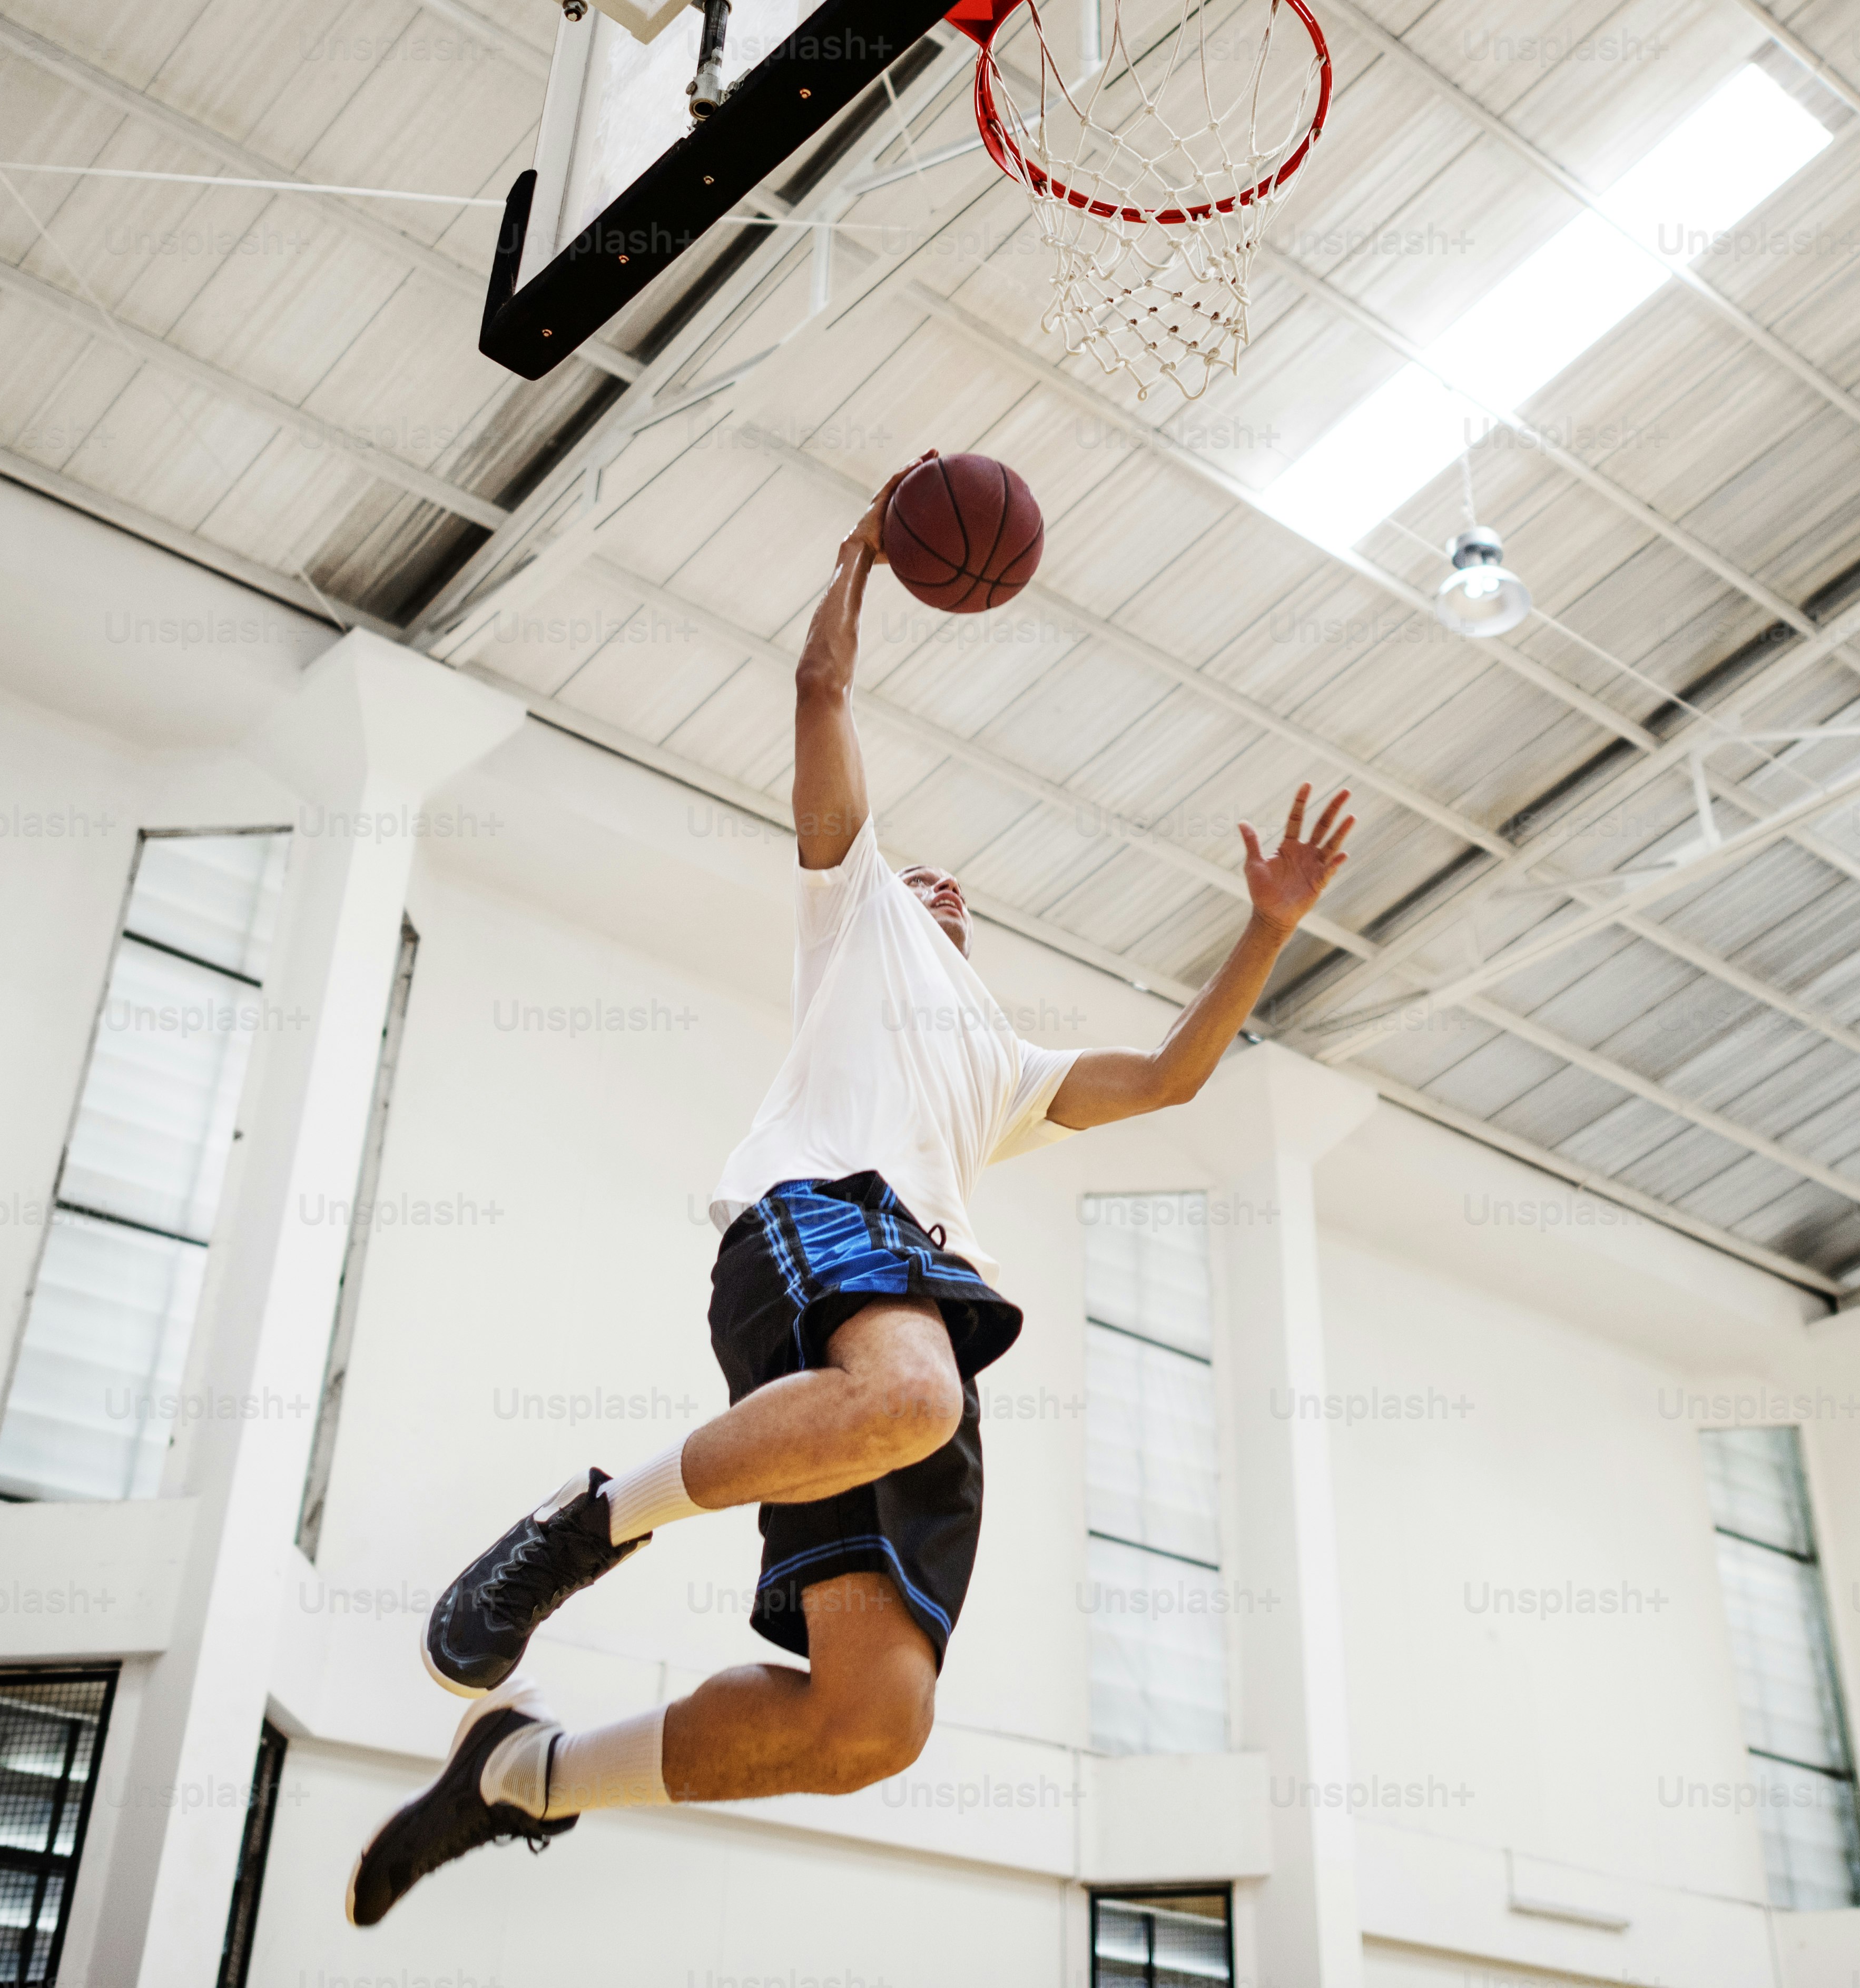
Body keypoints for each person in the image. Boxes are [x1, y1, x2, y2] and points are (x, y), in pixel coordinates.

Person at [351, 466, 1352, 1923]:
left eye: (957, 889)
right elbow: (820, 693)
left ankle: (521, 1778)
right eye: (918, 873)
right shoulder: (855, 914)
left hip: (915, 1305)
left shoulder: (1005, 1065)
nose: (936, 885)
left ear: (975, 927)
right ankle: (586, 1527)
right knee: (920, 1396)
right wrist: (865, 564)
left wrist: (1265, 934)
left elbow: (1172, 1081)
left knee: (871, 1730)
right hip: (819, 1222)